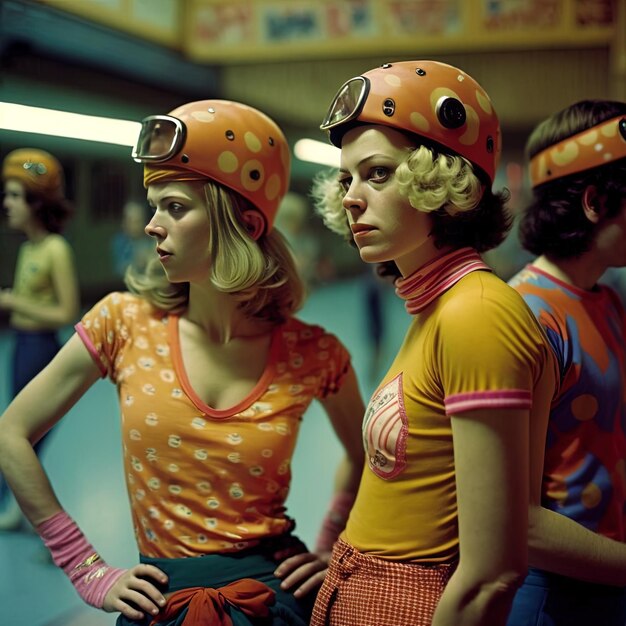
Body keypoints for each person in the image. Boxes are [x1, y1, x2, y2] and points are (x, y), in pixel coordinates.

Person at [0, 100, 365, 625]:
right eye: (153, 206)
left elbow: (371, 461)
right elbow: (13, 433)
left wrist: (335, 544)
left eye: (173, 207)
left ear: (241, 223)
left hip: (275, 600)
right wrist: (84, 567)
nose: (152, 226)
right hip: (161, 602)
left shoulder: (313, 352)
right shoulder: (121, 324)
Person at [309, 60, 558, 625]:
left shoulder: (475, 312)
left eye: (376, 174)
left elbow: (493, 573)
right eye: (346, 178)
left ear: (440, 182)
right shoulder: (436, 309)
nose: (350, 198)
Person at [506, 100, 626, 625]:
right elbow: (517, 522)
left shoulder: (607, 297)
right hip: (555, 600)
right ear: (596, 201)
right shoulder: (528, 315)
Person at [0, 148, 80, 531]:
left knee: (21, 433)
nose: (7, 204)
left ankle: (36, 515)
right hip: (20, 343)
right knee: (16, 431)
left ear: (35, 202)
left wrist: (14, 299)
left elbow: (66, 312)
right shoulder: (28, 248)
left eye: (15, 196)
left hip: (41, 348)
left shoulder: (54, 249)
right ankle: (18, 507)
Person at [110, 199, 154, 280]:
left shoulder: (152, 242)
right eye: (129, 220)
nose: (133, 225)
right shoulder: (120, 242)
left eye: (137, 221)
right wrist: (136, 264)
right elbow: (118, 270)